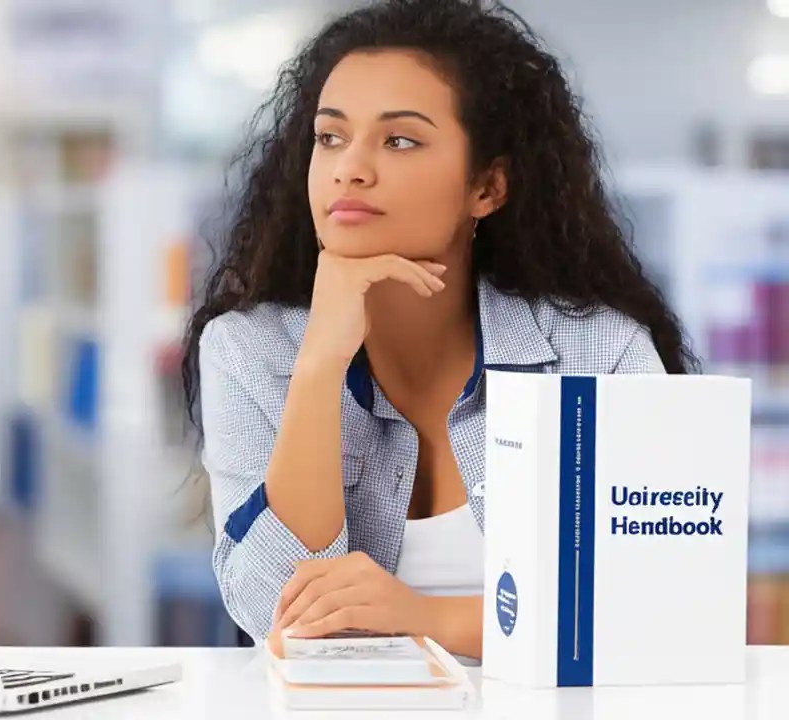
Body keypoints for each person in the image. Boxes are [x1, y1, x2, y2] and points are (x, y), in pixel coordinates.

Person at [180, 0, 695, 661]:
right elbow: (281, 615)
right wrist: (319, 365)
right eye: (330, 137)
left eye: (399, 140)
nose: (350, 168)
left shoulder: (602, 350)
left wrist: (420, 617)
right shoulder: (246, 350)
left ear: (488, 187)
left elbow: (662, 606)